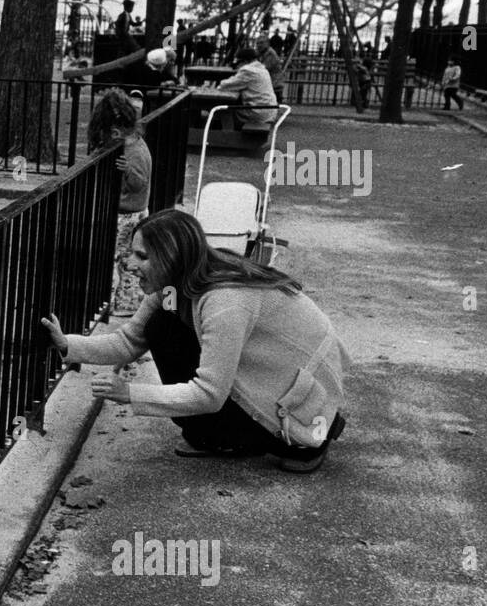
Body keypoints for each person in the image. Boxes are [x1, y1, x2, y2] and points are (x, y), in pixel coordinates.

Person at [41, 209, 349, 473]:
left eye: (142, 256)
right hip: (267, 379)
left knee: (166, 329)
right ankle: (215, 435)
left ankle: (298, 442)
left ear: (173, 257)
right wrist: (68, 345)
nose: (129, 264)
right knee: (161, 324)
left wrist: (131, 393)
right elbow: (129, 341)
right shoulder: (177, 284)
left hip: (298, 405)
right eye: (132, 253)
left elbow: (210, 394)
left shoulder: (226, 300)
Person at [88, 89, 152, 316]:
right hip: (130, 212)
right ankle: (122, 301)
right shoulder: (134, 142)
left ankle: (124, 304)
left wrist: (127, 172)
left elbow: (139, 182)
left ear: (115, 132)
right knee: (124, 258)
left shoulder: (133, 152)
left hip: (128, 214)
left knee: (122, 259)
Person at [215, 46, 279, 130]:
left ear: (244, 61)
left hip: (258, 113)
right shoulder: (261, 68)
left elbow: (224, 86)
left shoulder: (248, 70)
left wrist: (222, 82)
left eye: (238, 63)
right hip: (269, 110)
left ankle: (226, 138)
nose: (238, 66)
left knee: (223, 112)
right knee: (230, 110)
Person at [256, 34, 284, 103]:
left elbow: (263, 69)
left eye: (262, 43)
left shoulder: (270, 54)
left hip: (274, 86)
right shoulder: (261, 53)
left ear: (267, 43)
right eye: (257, 43)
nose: (259, 45)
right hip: (268, 86)